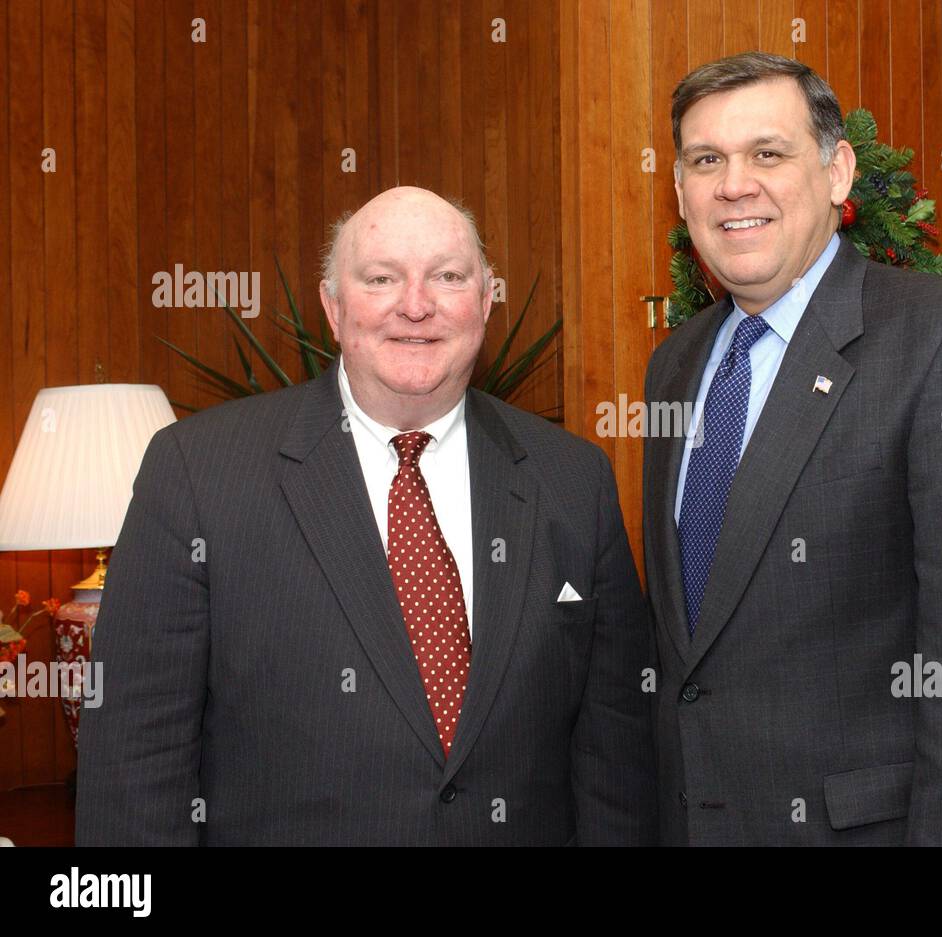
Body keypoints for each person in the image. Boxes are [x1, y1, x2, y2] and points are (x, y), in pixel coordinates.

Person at [77, 186, 656, 845]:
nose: (416, 305)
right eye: (381, 278)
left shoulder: (572, 478)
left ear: (487, 298)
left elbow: (616, 755)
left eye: (448, 276)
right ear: (333, 306)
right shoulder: (198, 472)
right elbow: (135, 755)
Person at [642, 52, 942, 845]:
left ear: (838, 172)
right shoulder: (674, 365)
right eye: (707, 161)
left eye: (768, 153)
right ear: (680, 191)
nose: (734, 184)